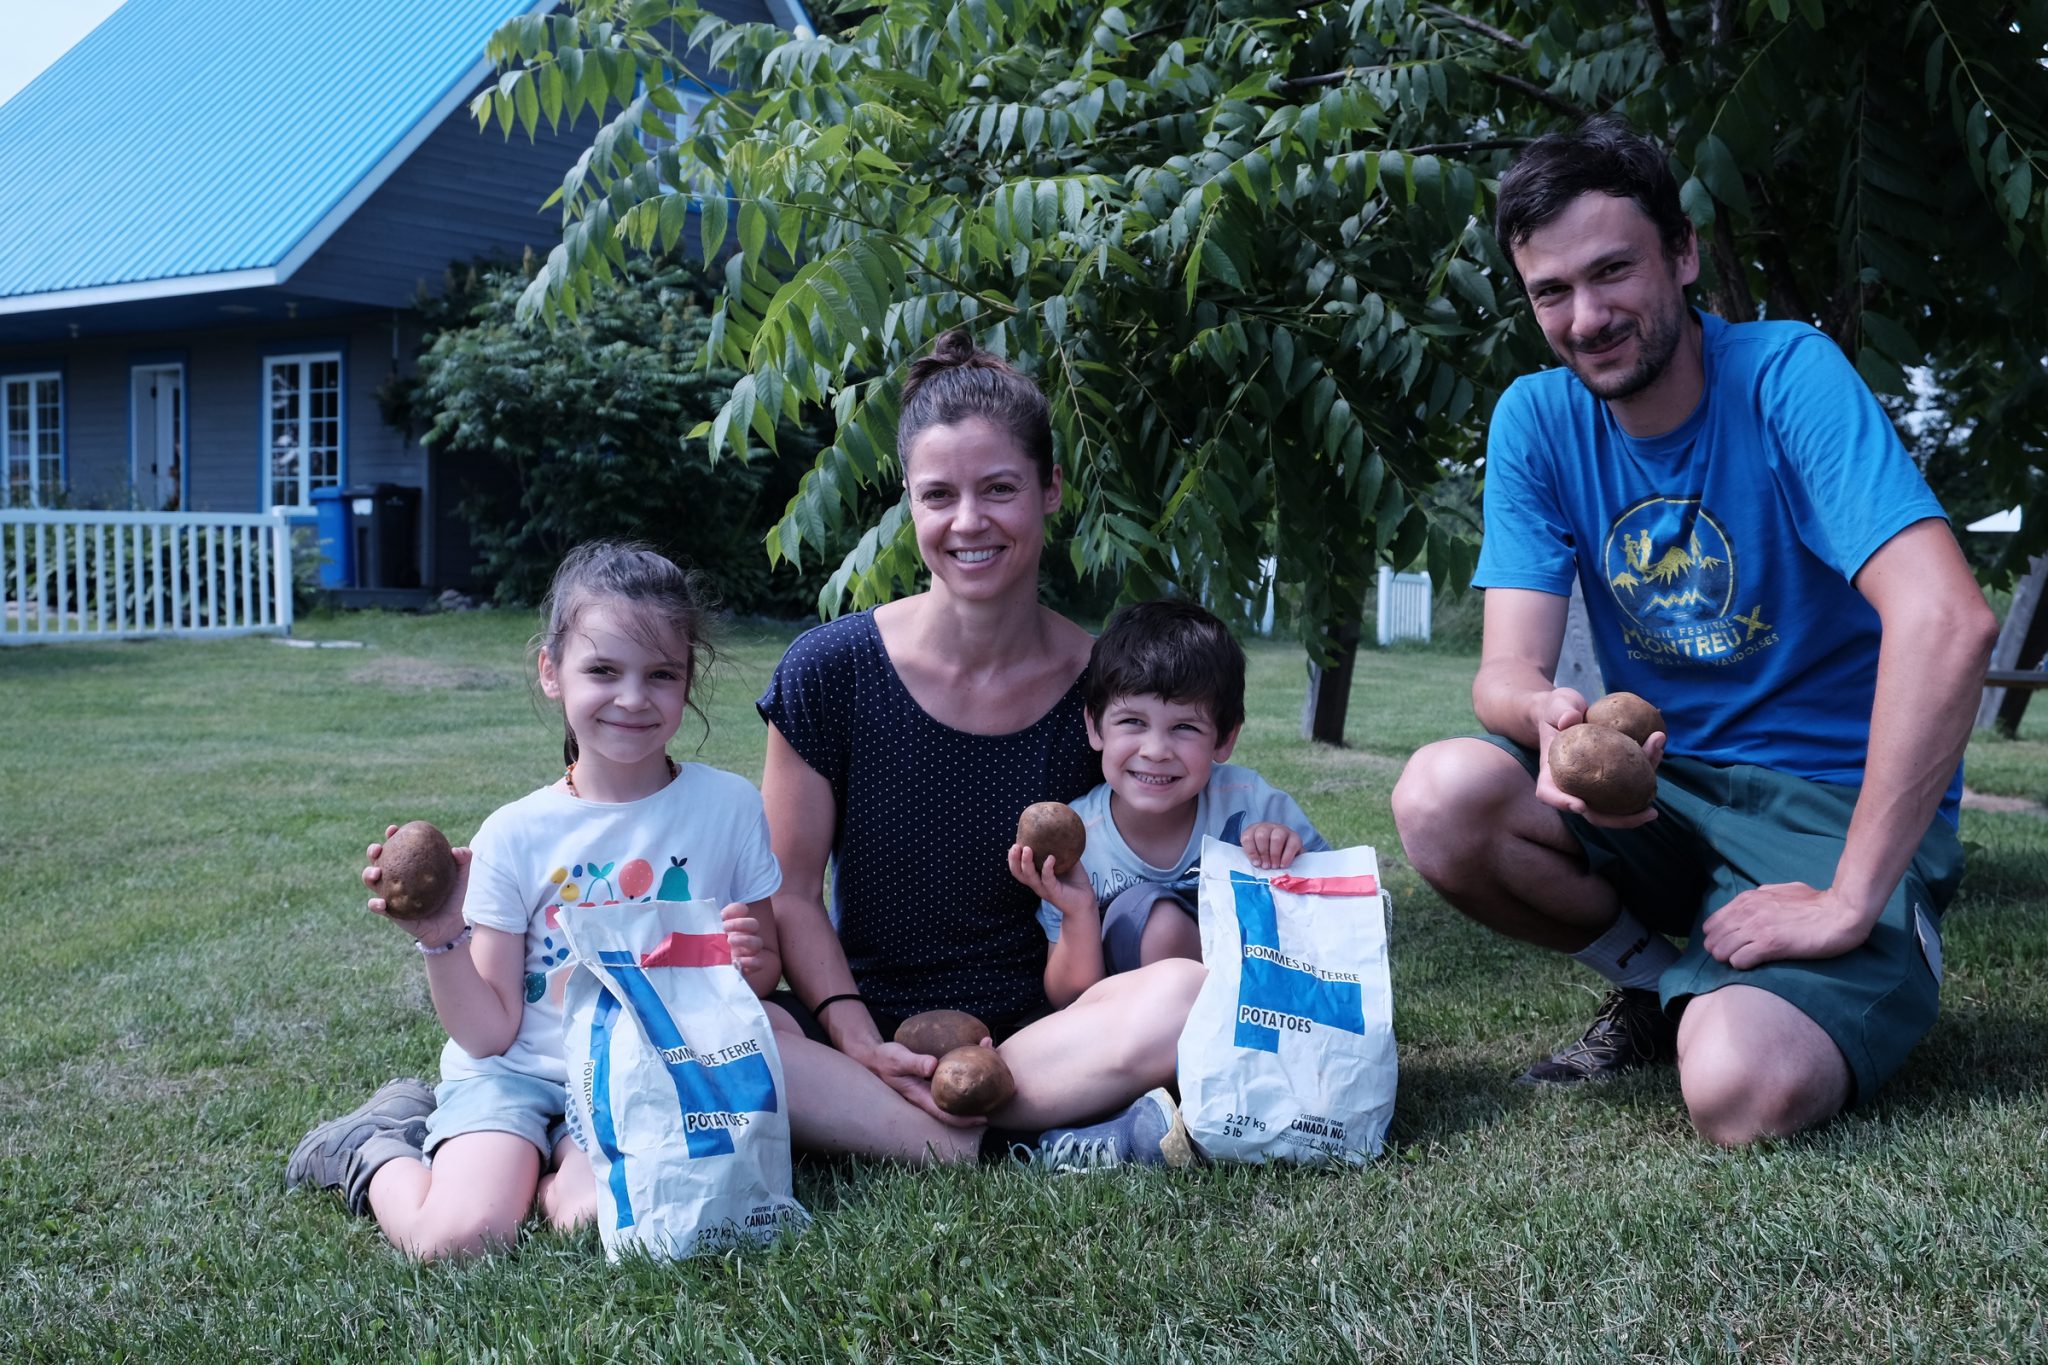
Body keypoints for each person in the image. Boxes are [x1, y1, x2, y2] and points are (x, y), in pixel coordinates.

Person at [1389, 116, 1998, 1146]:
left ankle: (1885, 926)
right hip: (1661, 792)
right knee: (1439, 796)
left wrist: (1848, 897)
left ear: (1681, 254)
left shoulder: (1786, 375)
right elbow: (1503, 670)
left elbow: (1948, 620)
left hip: (1827, 804)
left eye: (1611, 271)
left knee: (1738, 1091)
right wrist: (1541, 713)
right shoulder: (1536, 420)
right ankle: (1651, 984)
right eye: (1550, 291)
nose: (1586, 318)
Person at [288, 542, 983, 1259]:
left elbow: (756, 976)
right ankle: (373, 1144)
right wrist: (440, 935)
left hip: (645, 1075)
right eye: (602, 671)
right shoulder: (516, 834)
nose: (632, 697)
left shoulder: (727, 808)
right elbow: (490, 1033)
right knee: (457, 1238)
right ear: (551, 672)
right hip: (518, 1075)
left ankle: (552, 1183)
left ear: (688, 680)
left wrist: (749, 963)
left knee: (601, 1219)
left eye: (660, 674)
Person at [756, 330, 1206, 1170]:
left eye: (1000, 488)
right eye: (939, 495)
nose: (969, 522)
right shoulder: (830, 670)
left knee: (1186, 990)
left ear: (1051, 488)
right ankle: (997, 1138)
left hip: (1042, 1036)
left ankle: (926, 1128)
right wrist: (854, 1036)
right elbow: (789, 890)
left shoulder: (1106, 688)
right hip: (861, 1017)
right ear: (909, 501)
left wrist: (1266, 836)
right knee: (728, 1029)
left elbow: (1182, 832)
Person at [1008, 598, 1329, 1006]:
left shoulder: (1251, 806)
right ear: (1095, 727)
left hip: (1260, 999)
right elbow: (1070, 998)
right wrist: (1079, 911)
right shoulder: (1080, 844)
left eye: (1184, 727)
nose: (1156, 750)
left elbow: (1337, 903)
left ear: (1225, 738)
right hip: (1143, 1020)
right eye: (1133, 722)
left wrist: (1288, 855)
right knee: (1153, 921)